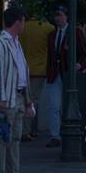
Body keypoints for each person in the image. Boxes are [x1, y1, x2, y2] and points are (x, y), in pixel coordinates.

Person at [0, 6, 36, 173]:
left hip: (19, 95)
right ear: (17, 22)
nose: (24, 25)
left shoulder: (16, 42)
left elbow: (23, 71)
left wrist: (28, 99)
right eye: (23, 21)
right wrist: (0, 98)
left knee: (15, 137)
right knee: (1, 136)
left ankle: (14, 172)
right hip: (6, 98)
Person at [43, 5, 86, 147]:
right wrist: (48, 71)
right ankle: (55, 135)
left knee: (69, 104)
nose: (58, 18)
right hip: (54, 73)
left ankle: (70, 132)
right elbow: (50, 55)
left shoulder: (74, 32)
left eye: (60, 15)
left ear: (66, 16)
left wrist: (80, 65)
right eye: (56, 15)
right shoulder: (52, 35)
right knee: (53, 105)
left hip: (68, 73)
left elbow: (84, 52)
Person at [20, 11, 54, 142]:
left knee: (25, 99)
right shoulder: (48, 28)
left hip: (24, 69)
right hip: (39, 69)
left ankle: (28, 129)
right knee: (34, 100)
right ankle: (28, 130)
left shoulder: (24, 27)